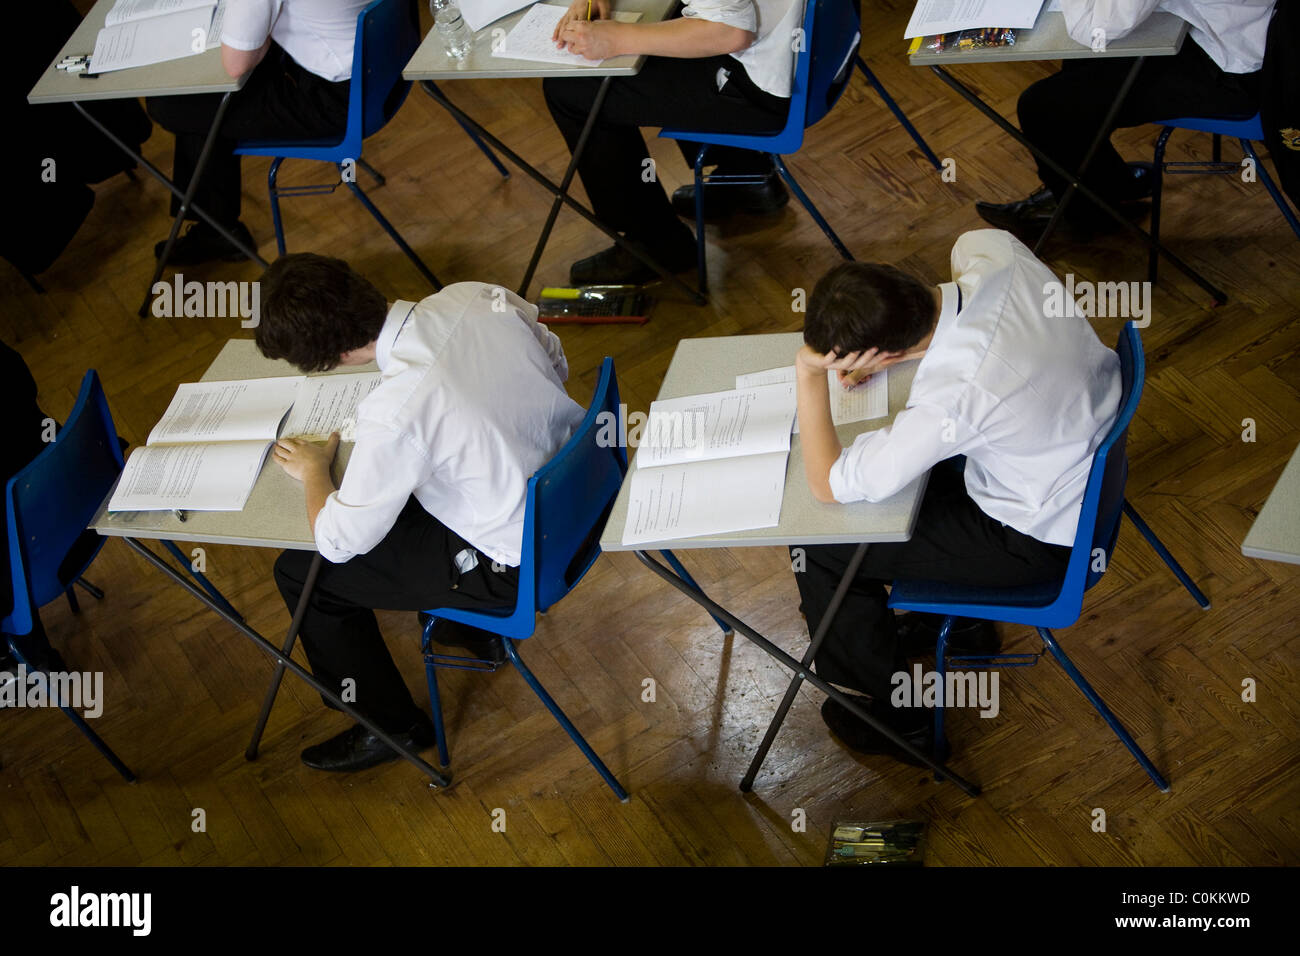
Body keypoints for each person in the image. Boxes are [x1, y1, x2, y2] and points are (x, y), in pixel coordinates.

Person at [789, 229, 1120, 766]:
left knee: (826, 542)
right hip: (1075, 460)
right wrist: (896, 354)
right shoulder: (999, 254)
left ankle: (889, 716)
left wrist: (807, 372)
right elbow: (969, 259)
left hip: (1039, 539)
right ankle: (963, 625)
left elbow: (828, 485)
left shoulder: (953, 400)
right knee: (916, 479)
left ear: (881, 350)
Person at [254, 253, 585, 772]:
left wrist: (316, 471)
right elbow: (555, 357)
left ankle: (389, 726)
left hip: (516, 563)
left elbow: (340, 541)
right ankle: (468, 630)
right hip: (579, 487)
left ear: (337, 356)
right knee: (415, 485)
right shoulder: (472, 293)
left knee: (303, 572)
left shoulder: (396, 409)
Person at [542, 0, 808, 285]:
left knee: (571, 91)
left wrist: (616, 38)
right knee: (670, 14)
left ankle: (655, 245)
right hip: (806, 47)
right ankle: (743, 176)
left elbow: (730, 32)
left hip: (766, 85)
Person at [975, 0, 1276, 240]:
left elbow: (1092, 28)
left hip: (1238, 70)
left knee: (1041, 107)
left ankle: (1091, 214)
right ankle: (1103, 188)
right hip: (1237, 33)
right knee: (1080, 69)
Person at [146, 0, 370, 264]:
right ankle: (215, 226)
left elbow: (236, 63)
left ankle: (217, 230)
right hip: (379, 65)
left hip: (337, 101)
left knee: (172, 104)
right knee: (206, 99)